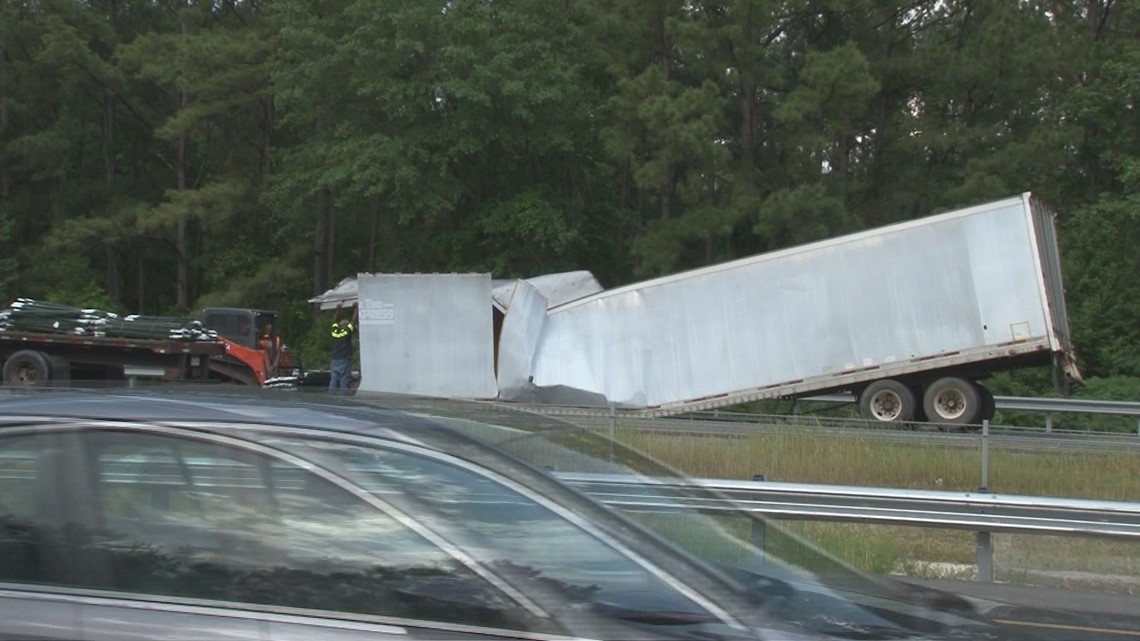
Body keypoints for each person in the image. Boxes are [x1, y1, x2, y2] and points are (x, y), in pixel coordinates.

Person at [328, 303, 358, 394]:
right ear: (346, 326)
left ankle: (330, 397)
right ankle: (343, 398)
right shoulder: (347, 332)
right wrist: (356, 308)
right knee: (344, 379)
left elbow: (334, 321)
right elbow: (354, 321)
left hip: (335, 359)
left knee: (333, 380)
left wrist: (338, 310)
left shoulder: (335, 332)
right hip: (344, 359)